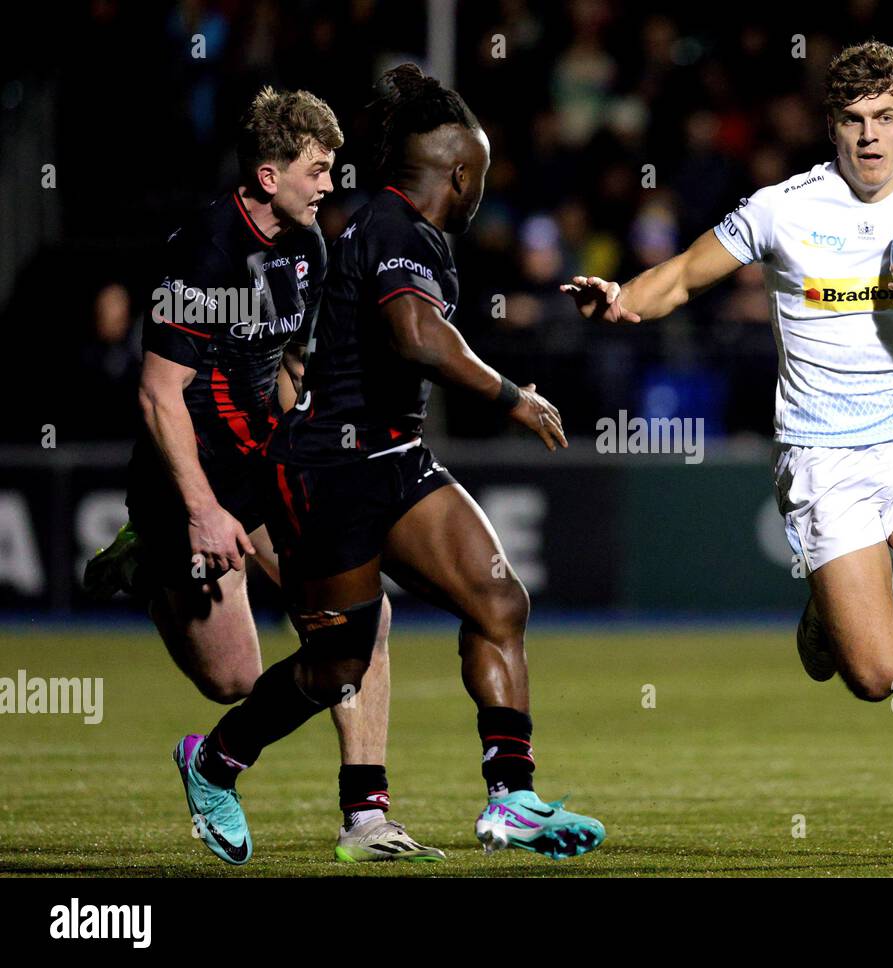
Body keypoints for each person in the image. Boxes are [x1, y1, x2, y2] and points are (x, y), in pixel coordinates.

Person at [563, 40, 893, 862]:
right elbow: (687, 274)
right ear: (833, 127)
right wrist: (622, 301)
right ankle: (834, 618)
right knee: (880, 678)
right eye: (853, 121)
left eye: (884, 119)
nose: (869, 137)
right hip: (823, 456)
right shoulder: (782, 208)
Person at [173, 64, 605, 864]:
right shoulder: (395, 230)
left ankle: (511, 797)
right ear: (461, 173)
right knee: (339, 662)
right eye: (480, 172)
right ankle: (214, 764)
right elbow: (415, 336)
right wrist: (513, 395)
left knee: (499, 599)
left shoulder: (404, 230)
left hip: (395, 457)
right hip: (327, 477)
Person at [87, 86, 439, 863]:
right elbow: (157, 392)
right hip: (192, 478)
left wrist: (314, 446)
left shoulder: (307, 245)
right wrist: (204, 512)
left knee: (364, 618)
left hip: (264, 461)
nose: (329, 184)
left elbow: (287, 361)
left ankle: (366, 815)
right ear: (268, 173)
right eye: (317, 169)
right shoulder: (205, 249)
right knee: (236, 679)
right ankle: (152, 554)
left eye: (334, 168)